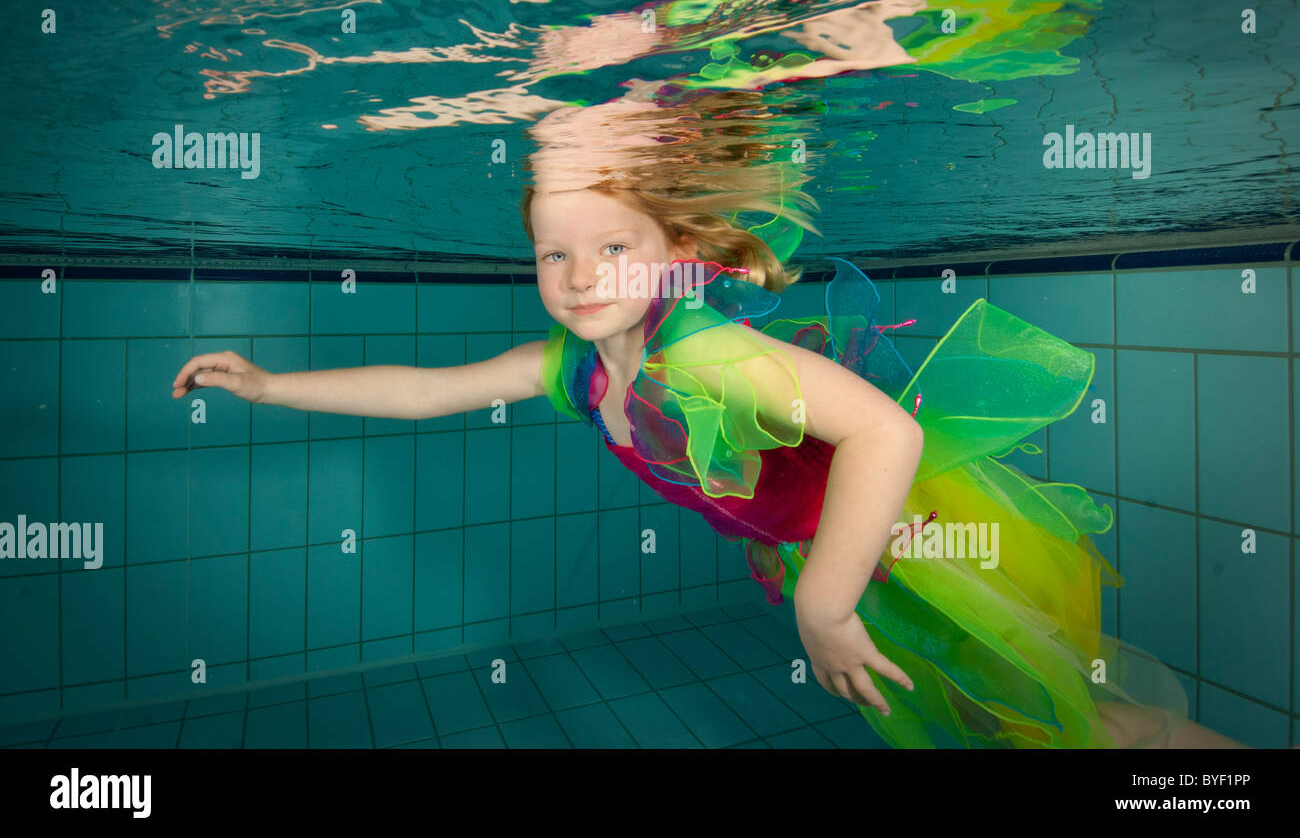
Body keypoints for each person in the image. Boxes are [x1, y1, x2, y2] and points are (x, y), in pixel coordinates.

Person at [171, 91, 1254, 749]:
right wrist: (270, 386)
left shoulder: (706, 349)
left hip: (915, 542)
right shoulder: (577, 370)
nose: (580, 275)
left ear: (673, 251)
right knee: (998, 725)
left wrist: (823, 607)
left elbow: (889, 435)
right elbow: (429, 386)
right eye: (555, 253)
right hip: (845, 563)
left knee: (1073, 719)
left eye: (611, 248)